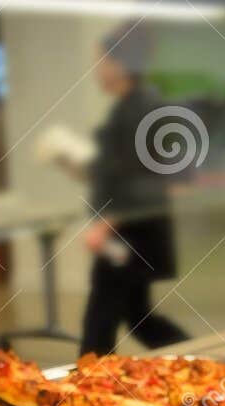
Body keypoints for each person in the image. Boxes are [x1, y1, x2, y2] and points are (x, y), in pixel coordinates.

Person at [77, 23, 190, 357]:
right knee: (137, 317)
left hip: (128, 235)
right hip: (133, 232)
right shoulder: (135, 105)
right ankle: (193, 358)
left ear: (120, 64)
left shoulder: (138, 108)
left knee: (99, 323)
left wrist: (105, 224)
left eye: (101, 61)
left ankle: (88, 387)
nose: (97, 69)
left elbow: (138, 178)